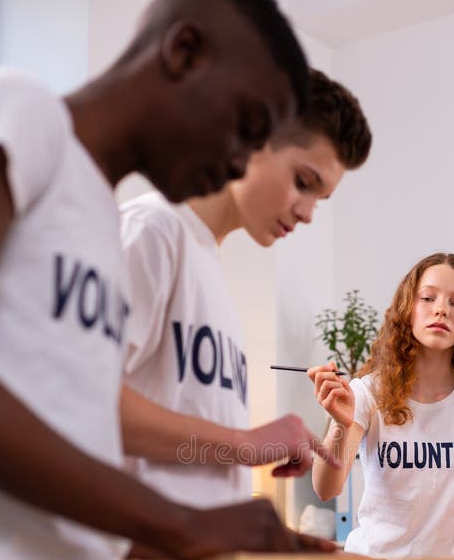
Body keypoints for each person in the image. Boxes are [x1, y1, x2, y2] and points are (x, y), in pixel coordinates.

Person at [0, 0, 336, 560]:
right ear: (184, 51)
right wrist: (185, 524)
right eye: (247, 124)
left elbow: (77, 453)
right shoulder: (23, 112)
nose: (237, 158)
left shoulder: (100, 233)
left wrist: (245, 540)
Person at [118, 68, 372, 507]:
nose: (309, 213)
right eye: (303, 182)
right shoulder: (152, 233)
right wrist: (243, 442)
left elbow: (187, 449)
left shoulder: (209, 270)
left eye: (320, 199)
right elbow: (85, 405)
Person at [308, 252, 454, 560]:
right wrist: (341, 426)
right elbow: (326, 488)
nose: (441, 310)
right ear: (408, 309)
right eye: (428, 298)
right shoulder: (368, 393)